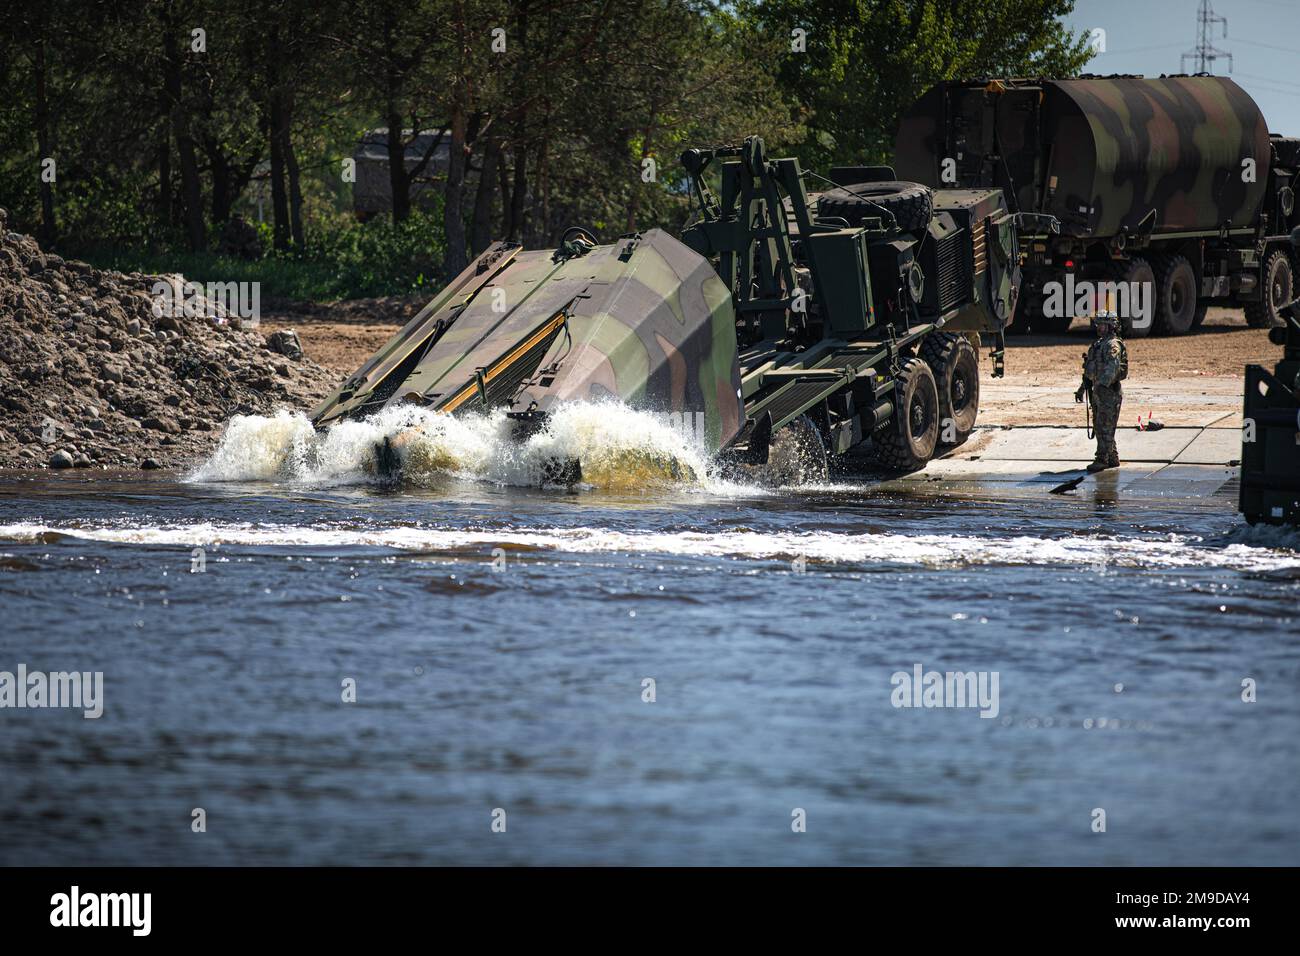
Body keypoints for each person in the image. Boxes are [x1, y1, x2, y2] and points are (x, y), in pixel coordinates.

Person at [1075, 307, 1127, 472]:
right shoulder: (1098, 344)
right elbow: (1090, 371)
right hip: (1098, 391)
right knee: (1102, 425)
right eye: (1098, 324)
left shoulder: (1113, 345)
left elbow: (1113, 367)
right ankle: (1112, 457)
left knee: (1104, 425)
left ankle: (1102, 459)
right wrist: (1082, 389)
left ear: (1111, 326)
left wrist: (1102, 386)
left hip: (1108, 392)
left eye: (1102, 325)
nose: (1099, 327)